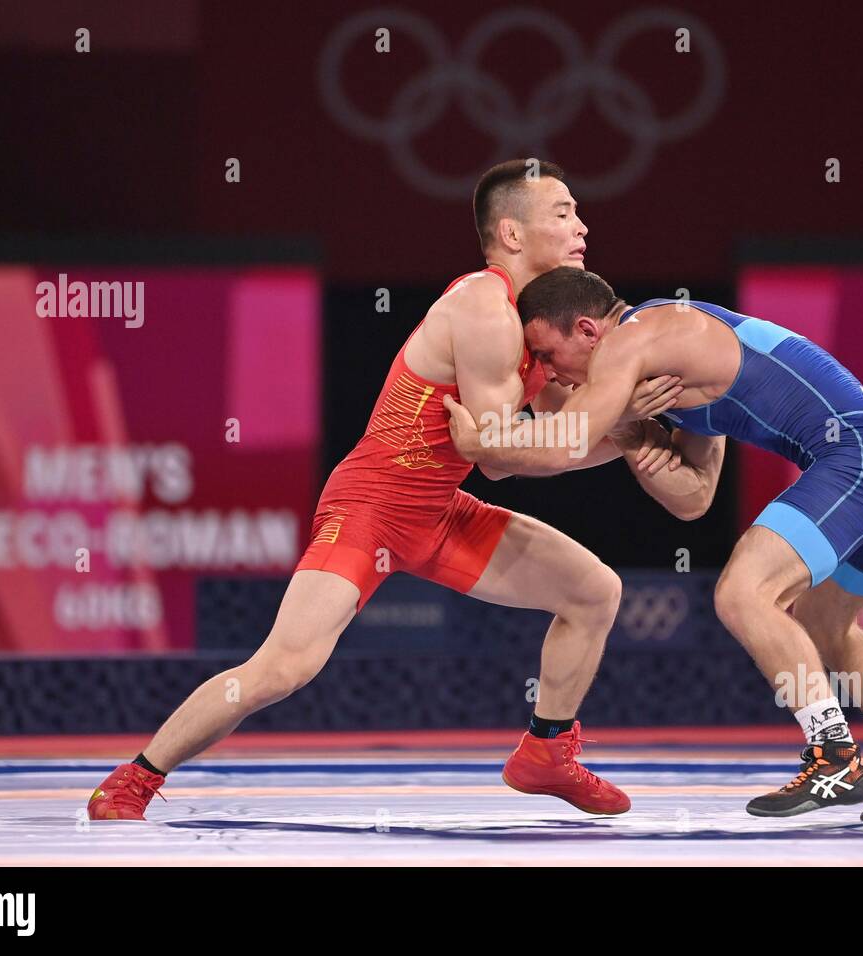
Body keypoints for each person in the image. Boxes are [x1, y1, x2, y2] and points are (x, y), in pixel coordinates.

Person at [87, 162, 686, 821]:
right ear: (511, 233)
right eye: (565, 212)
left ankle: (548, 751)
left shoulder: (534, 326)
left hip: (437, 513)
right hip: (370, 507)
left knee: (593, 592)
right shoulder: (483, 308)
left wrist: (627, 434)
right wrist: (612, 429)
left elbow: (544, 442)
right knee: (284, 667)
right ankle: (133, 779)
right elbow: (502, 461)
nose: (582, 225)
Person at [445, 267, 863, 823]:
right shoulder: (673, 355)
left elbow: (566, 440)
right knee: (827, 625)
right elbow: (693, 498)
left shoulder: (637, 338)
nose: (550, 373)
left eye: (549, 355)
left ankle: (835, 757)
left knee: (743, 594)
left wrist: (486, 443)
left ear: (587, 330)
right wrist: (627, 428)